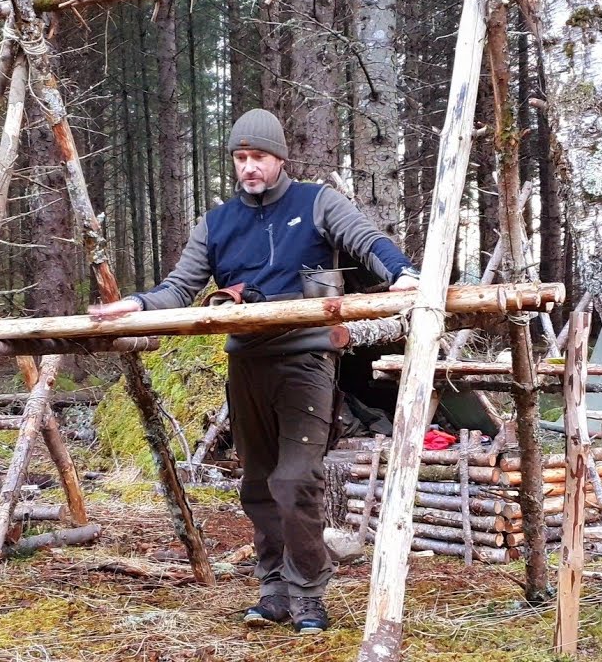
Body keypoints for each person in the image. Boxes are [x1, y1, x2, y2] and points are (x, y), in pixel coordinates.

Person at [90, 109, 419, 634]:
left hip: (306, 358)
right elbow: (180, 287)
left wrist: (402, 274)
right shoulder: (217, 222)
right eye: (241, 158)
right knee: (259, 484)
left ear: (280, 158)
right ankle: (274, 591)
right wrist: (138, 303)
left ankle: (309, 593)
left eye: (258, 157)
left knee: (296, 479)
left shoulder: (317, 203)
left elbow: (366, 240)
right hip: (246, 362)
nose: (249, 167)